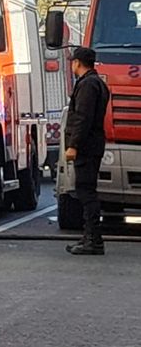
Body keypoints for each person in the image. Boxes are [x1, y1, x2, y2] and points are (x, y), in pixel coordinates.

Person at [64, 47, 110, 255]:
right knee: (87, 190)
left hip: (86, 147)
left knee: (86, 192)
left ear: (78, 63)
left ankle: (93, 240)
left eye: (73, 62)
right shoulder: (96, 83)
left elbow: (82, 118)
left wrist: (73, 145)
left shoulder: (88, 85)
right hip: (92, 145)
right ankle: (90, 237)